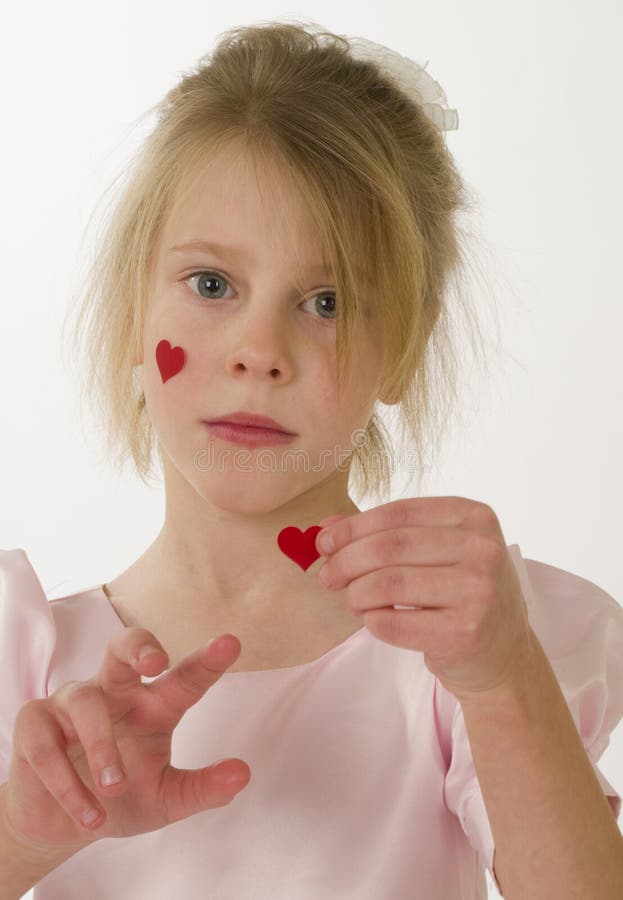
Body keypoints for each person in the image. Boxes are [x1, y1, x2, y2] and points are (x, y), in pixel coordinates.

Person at [1, 18, 622, 900]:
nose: (260, 350)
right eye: (211, 285)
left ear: (400, 351)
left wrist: (501, 676)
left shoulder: (463, 657)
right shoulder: (27, 662)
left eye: (324, 301)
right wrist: (23, 837)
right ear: (133, 316)